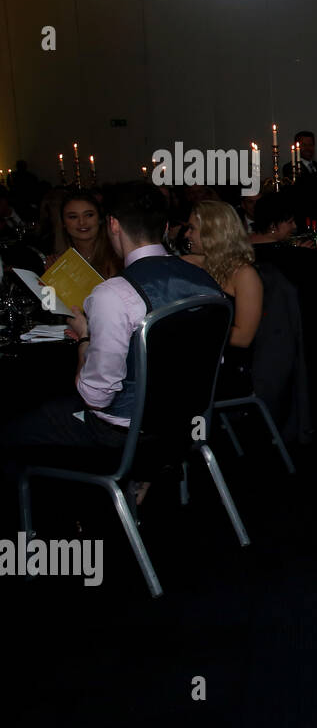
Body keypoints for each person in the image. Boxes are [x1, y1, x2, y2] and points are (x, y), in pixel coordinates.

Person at [0, 182, 222, 508]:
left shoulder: (114, 294)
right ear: (163, 227)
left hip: (126, 438)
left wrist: (86, 338)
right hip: (190, 426)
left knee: (11, 428)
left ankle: (43, 527)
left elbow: (95, 395)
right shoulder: (206, 281)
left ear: (113, 225)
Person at [182, 200, 264, 399]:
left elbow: (244, 338)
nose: (186, 235)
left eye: (192, 229)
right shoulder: (194, 265)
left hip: (232, 369)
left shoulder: (244, 274)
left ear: (212, 232)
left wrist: (191, 333)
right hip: (206, 361)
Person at [48, 188, 123, 279]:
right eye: (73, 217)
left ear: (99, 218)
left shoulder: (116, 256)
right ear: (63, 222)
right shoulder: (59, 260)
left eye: (89, 215)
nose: (82, 222)